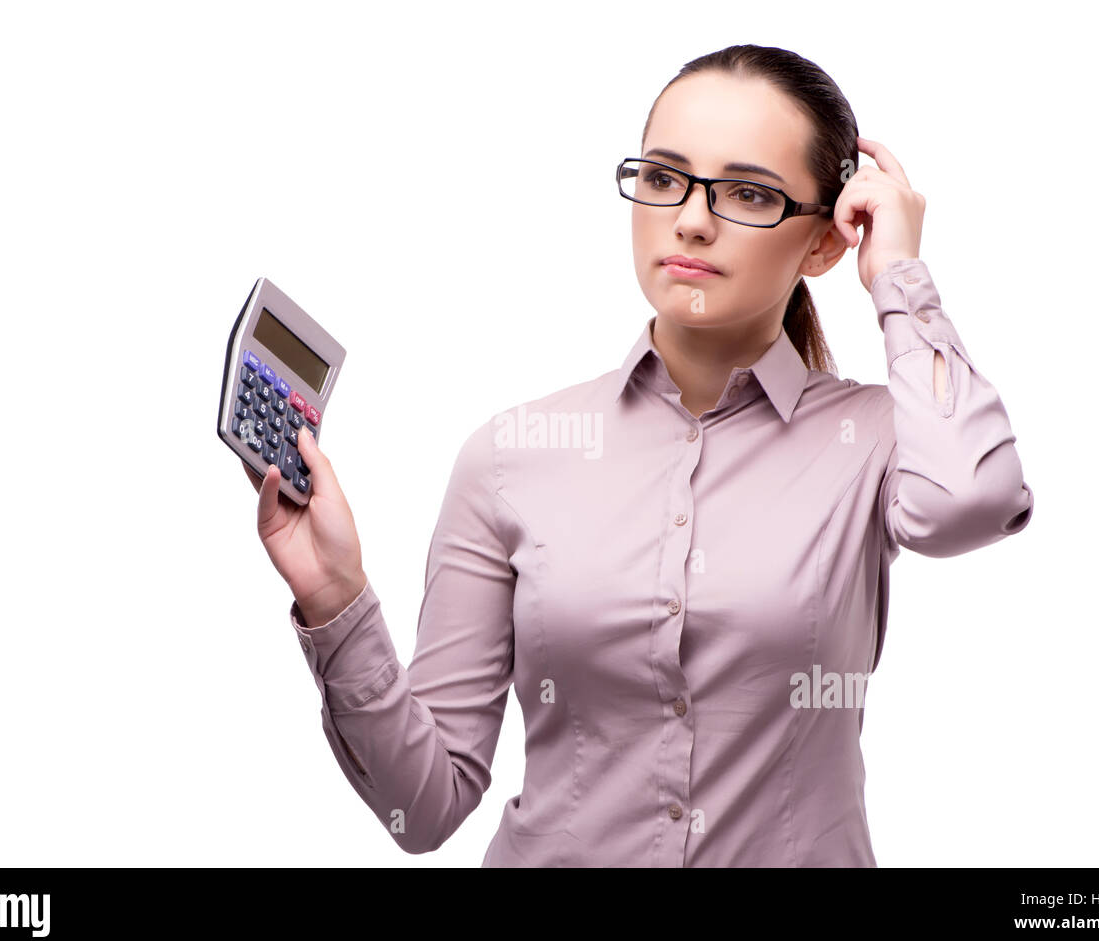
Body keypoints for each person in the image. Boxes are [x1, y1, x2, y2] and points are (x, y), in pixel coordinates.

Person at [242, 44, 1034, 867]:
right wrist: (335, 597)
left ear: (823, 246)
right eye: (663, 178)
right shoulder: (510, 457)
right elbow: (424, 804)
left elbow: (973, 499)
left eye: (748, 194)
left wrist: (898, 274)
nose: (691, 218)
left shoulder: (872, 438)